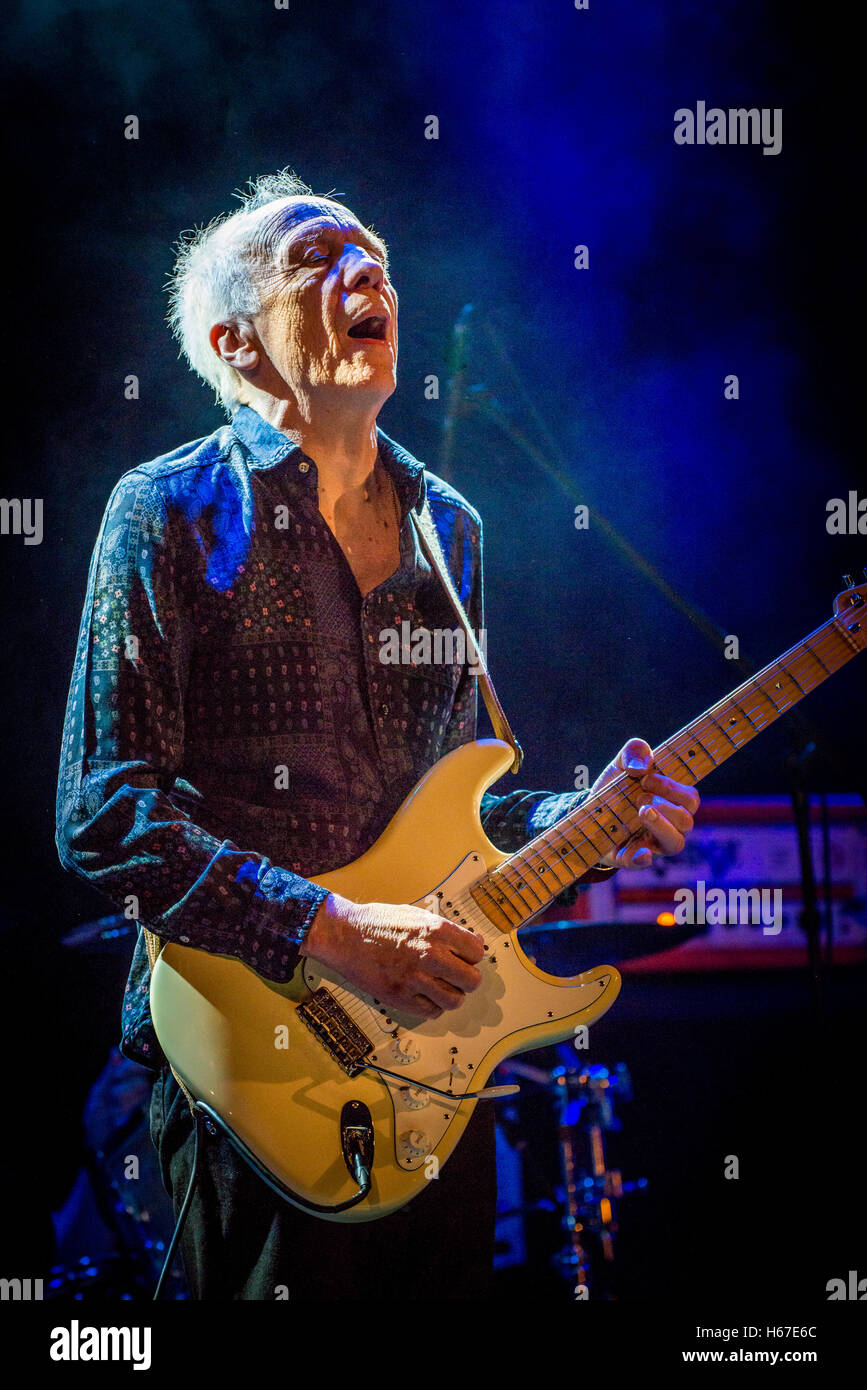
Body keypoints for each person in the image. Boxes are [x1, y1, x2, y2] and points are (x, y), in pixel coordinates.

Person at [56, 170, 699, 1300]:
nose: (369, 273)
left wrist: (590, 821)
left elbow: (467, 801)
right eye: (319, 259)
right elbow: (105, 816)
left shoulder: (449, 526)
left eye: (379, 257)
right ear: (234, 341)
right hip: (254, 1064)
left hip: (430, 1065)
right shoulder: (166, 511)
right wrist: (333, 931)